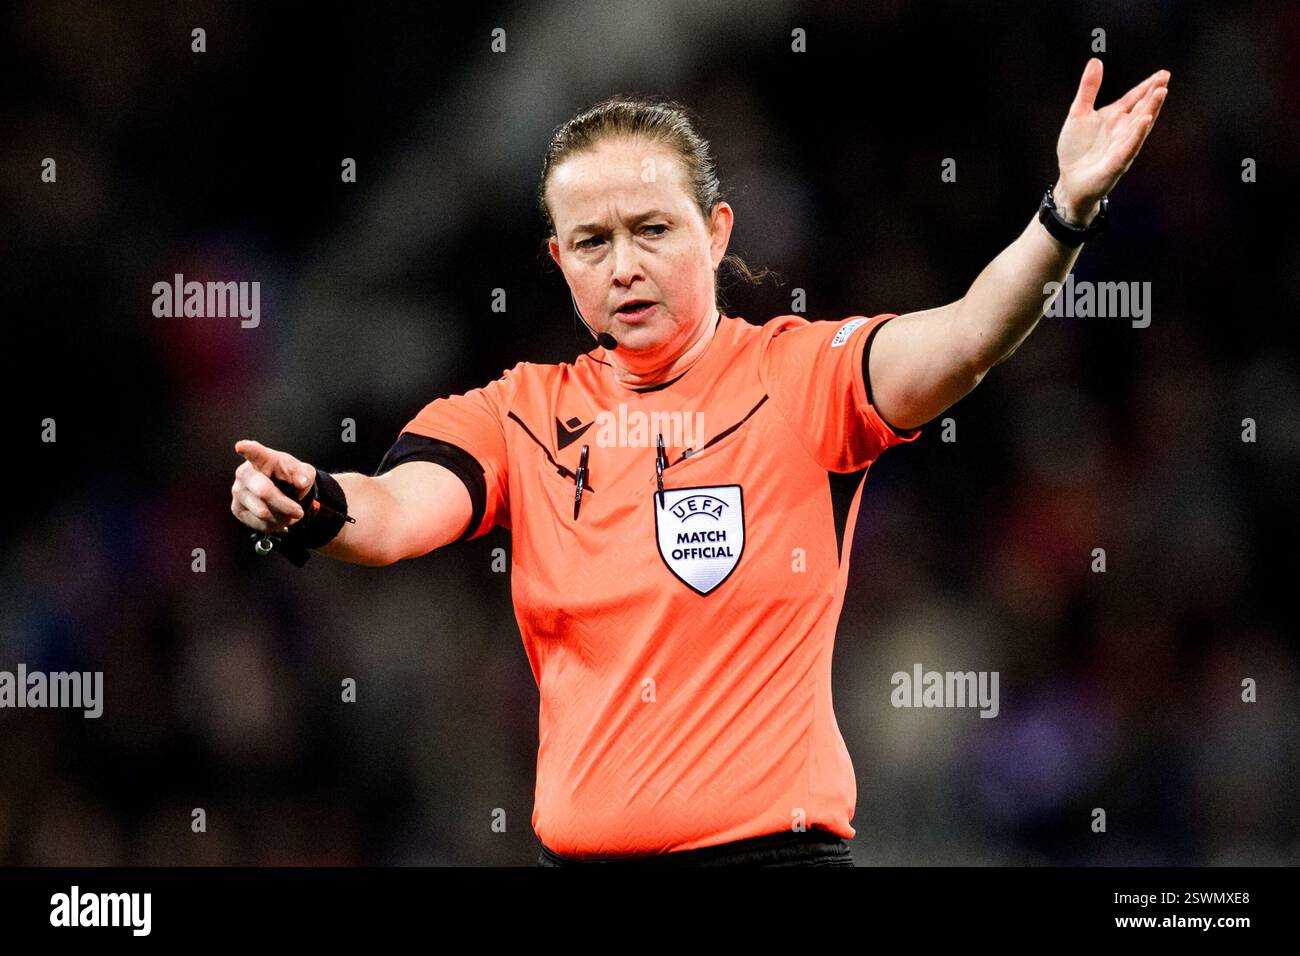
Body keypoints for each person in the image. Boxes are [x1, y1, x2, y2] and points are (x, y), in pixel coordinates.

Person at [230, 59, 1168, 866]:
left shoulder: (804, 378)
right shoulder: (515, 411)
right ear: (559, 260)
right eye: (593, 243)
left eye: (653, 229)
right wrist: (310, 502)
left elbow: (966, 338)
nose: (624, 266)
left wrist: (1064, 213)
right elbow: (391, 515)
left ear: (716, 233)